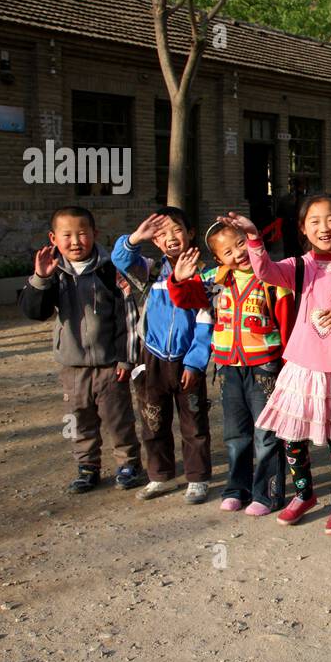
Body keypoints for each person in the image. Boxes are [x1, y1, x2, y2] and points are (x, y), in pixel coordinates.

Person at [218, 195, 331, 534]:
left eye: (330, 219)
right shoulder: (298, 266)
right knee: (291, 436)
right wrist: (253, 237)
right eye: (314, 221)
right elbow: (264, 271)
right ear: (303, 228)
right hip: (300, 366)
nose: (323, 227)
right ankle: (304, 494)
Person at [167, 221, 292, 515]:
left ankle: (267, 493)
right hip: (228, 368)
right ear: (218, 258)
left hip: (264, 367)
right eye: (227, 251)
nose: (237, 253)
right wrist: (179, 279)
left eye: (241, 244)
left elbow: (286, 324)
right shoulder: (214, 279)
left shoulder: (273, 278)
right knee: (236, 434)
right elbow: (184, 298)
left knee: (267, 433)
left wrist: (287, 365)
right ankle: (237, 488)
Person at [18, 206, 145, 494]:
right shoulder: (54, 272)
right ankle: (87, 467)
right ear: (54, 238)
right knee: (79, 420)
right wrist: (40, 277)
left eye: (83, 233)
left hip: (110, 366)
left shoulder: (110, 270)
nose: (76, 241)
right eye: (67, 235)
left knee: (118, 418)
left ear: (95, 234)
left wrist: (126, 359)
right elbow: (34, 311)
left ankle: (129, 463)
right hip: (72, 366)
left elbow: (127, 316)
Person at [112, 207, 214, 503]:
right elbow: (120, 260)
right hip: (152, 359)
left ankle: (197, 478)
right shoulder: (149, 270)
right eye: (162, 233)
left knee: (194, 424)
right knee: (153, 421)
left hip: (187, 361)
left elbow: (207, 320)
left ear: (191, 233)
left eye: (177, 229)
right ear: (155, 241)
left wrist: (196, 362)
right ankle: (159, 475)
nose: (171, 237)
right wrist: (134, 238)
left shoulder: (206, 274)